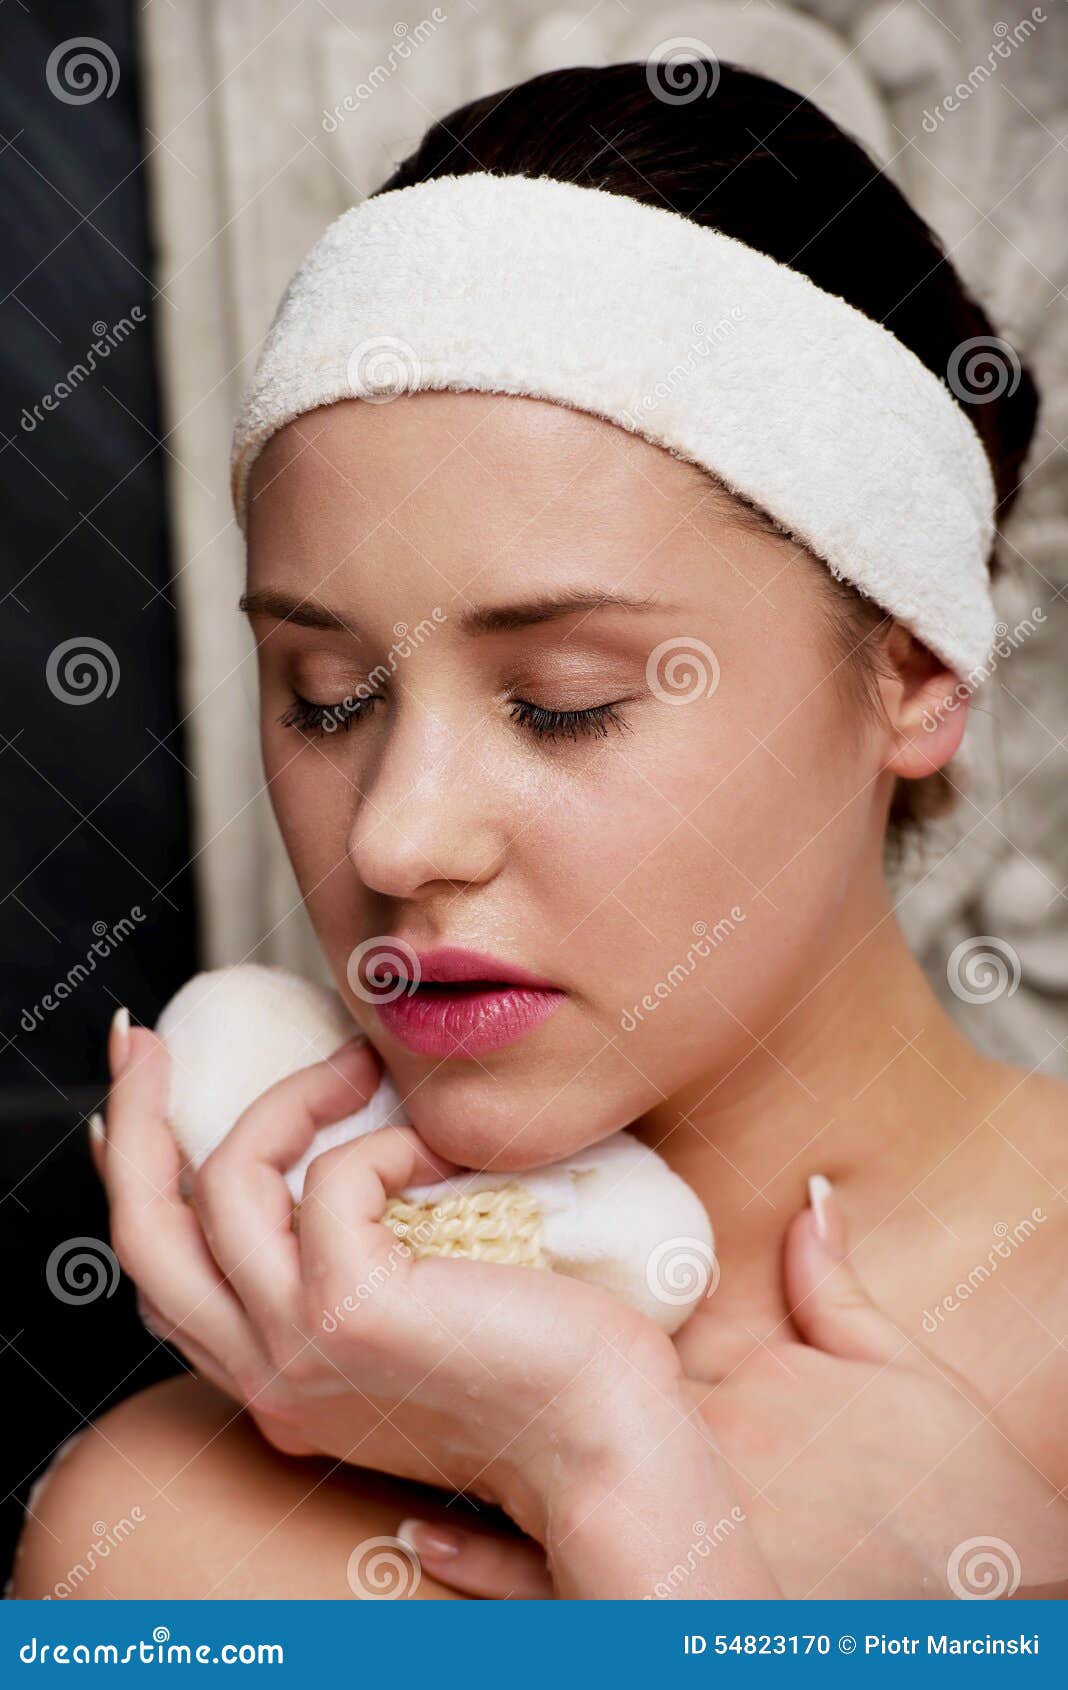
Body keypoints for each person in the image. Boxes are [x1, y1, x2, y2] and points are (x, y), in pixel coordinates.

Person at [14, 60, 1068, 1602]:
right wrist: (598, 1453)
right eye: (322, 694)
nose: (395, 837)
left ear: (914, 674)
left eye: (563, 701)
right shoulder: (167, 1549)